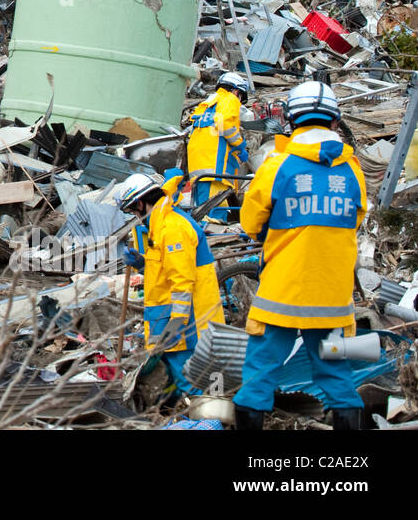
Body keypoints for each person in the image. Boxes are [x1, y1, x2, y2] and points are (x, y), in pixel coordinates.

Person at [233, 81, 368, 430]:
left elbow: (250, 220)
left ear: (291, 122)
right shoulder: (352, 170)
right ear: (335, 122)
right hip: (332, 296)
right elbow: (357, 217)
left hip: (283, 291)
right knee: (336, 371)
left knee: (261, 371)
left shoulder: (279, 166)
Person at [121, 169, 223, 396]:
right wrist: (142, 264)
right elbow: (167, 270)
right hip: (170, 317)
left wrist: (177, 323)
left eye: (132, 211)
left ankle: (207, 419)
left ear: (140, 203)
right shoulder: (162, 225)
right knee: (174, 379)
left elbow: (182, 280)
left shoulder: (172, 229)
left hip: (185, 321)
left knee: (191, 382)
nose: (135, 217)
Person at [186, 72, 250, 211]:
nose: (239, 101)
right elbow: (226, 125)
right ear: (236, 91)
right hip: (215, 166)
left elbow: (215, 127)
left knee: (201, 211)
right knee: (215, 212)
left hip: (199, 166)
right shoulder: (229, 99)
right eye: (240, 96)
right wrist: (240, 146)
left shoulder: (209, 102)